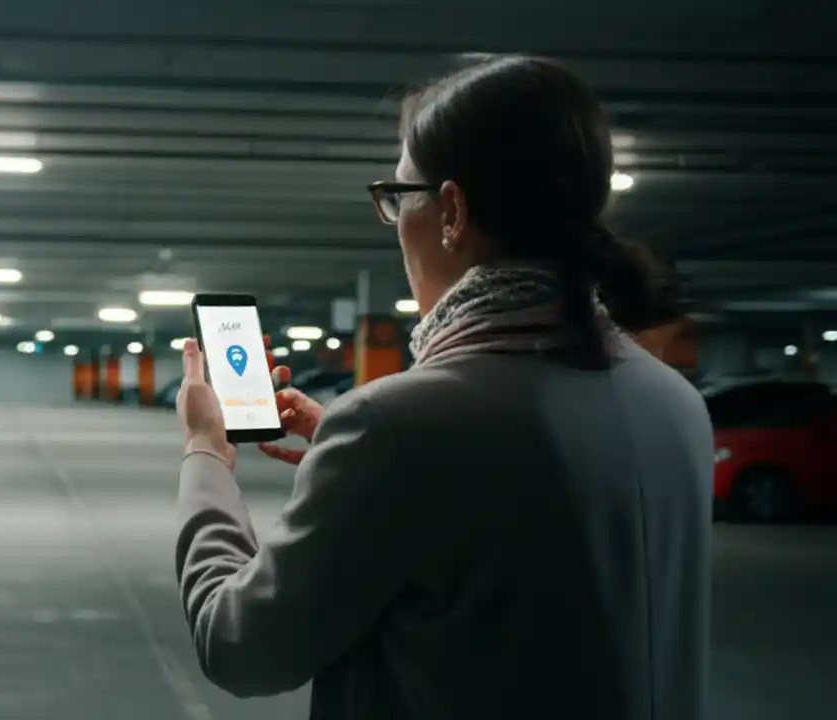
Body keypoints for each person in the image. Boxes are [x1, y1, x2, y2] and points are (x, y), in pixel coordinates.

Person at [173, 56, 712, 719]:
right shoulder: (675, 402)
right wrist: (354, 455)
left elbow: (241, 646)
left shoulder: (397, 430)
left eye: (397, 196)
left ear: (451, 211)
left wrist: (206, 453)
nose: (394, 220)